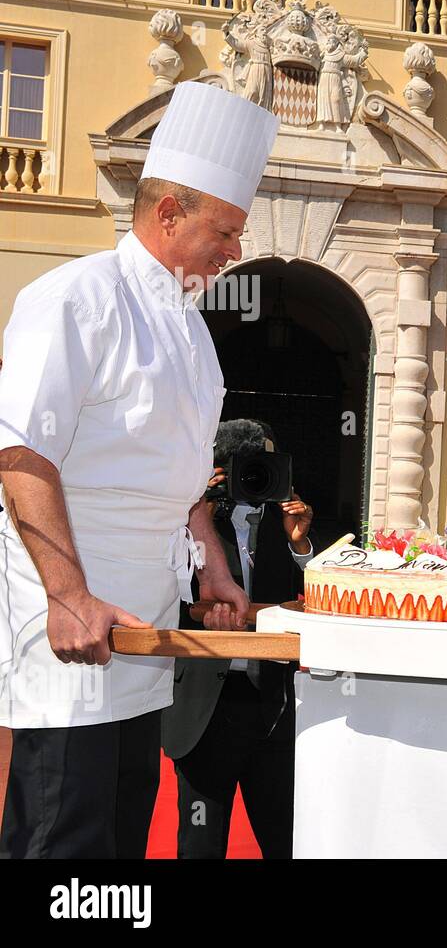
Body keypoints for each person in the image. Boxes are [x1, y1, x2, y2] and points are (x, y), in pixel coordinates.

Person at [0, 82, 278, 858]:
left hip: (145, 634)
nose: (234, 252)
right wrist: (67, 595)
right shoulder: (75, 298)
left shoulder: (193, 332)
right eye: (224, 231)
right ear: (167, 215)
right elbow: (21, 452)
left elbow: (185, 484)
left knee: (122, 841)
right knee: (65, 840)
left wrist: (213, 571)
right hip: (72, 636)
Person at [163, 419, 312, 859]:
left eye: (259, 467)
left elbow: (314, 598)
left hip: (271, 706)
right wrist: (196, 512)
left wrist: (300, 546)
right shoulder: (184, 525)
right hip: (204, 711)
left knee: (284, 837)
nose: (250, 479)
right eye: (237, 469)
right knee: (201, 843)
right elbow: (164, 593)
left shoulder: (284, 525)